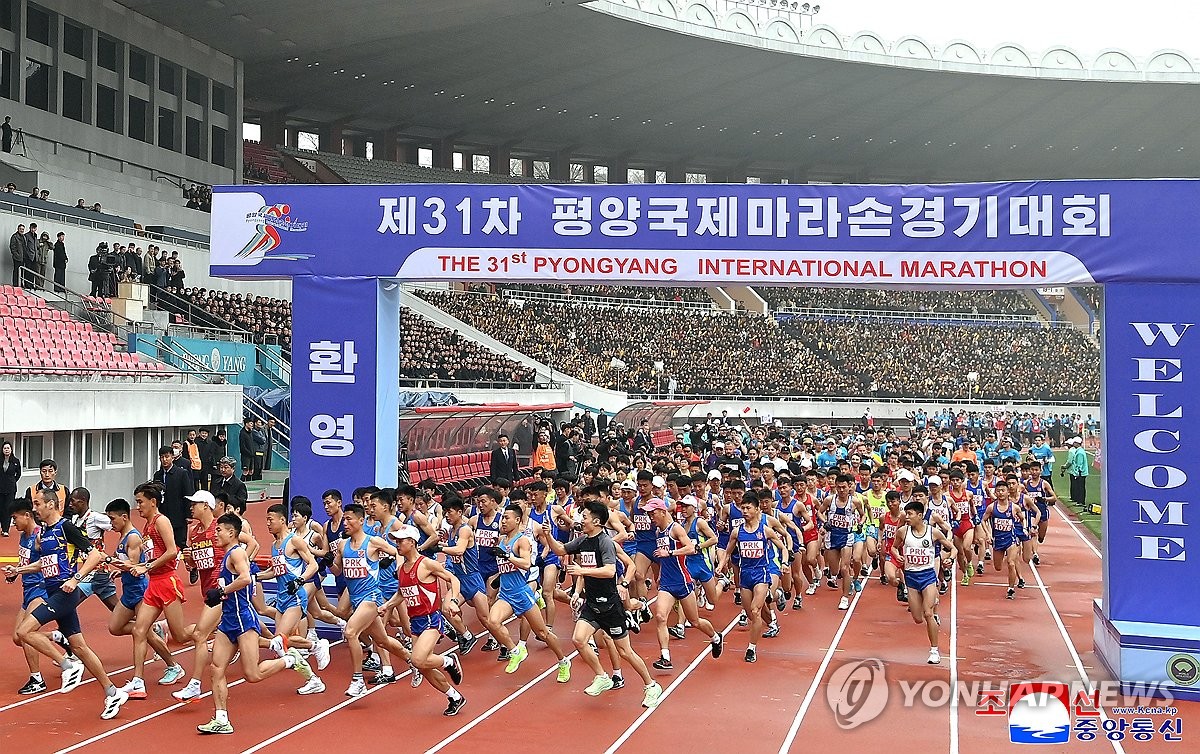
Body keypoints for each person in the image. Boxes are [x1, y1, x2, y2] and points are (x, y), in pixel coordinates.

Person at [9, 490, 131, 719]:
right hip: (54, 591)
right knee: (80, 647)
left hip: (64, 594)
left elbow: (95, 556)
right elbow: (43, 564)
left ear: (51, 505)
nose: (35, 509)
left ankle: (67, 665)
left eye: (38, 504)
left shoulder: (66, 528)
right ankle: (112, 692)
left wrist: (75, 579)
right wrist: (19, 570)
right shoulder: (45, 531)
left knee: (24, 632)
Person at [537, 496, 664, 708]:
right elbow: (560, 550)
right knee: (579, 640)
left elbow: (610, 571)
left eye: (585, 516)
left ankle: (651, 685)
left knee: (625, 652)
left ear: (596, 521)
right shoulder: (582, 540)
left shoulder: (605, 542)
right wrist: (549, 535)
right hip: (592, 604)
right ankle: (602, 676)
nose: (581, 519)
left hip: (610, 606)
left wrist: (583, 571)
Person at [196, 513, 315, 735]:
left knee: (253, 675)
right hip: (228, 620)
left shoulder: (237, 553)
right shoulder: (227, 554)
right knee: (216, 668)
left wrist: (221, 591)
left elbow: (244, 578)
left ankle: (290, 660)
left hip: (243, 619)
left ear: (231, 532)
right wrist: (221, 595)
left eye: (219, 530)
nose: (215, 534)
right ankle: (221, 719)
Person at [331, 503, 418, 697]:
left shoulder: (373, 542)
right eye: (344, 519)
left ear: (361, 520)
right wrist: (329, 562)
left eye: (349, 519)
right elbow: (337, 571)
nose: (345, 523)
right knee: (383, 641)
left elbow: (397, 552)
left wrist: (398, 569)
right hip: (355, 598)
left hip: (371, 597)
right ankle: (412, 660)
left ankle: (357, 680)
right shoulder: (343, 545)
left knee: (351, 632)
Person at [385, 524, 467, 716]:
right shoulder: (401, 569)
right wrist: (386, 606)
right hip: (415, 622)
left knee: (418, 659)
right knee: (422, 666)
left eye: (401, 541)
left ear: (412, 542)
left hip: (431, 619)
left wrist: (453, 601)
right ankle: (455, 697)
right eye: (396, 541)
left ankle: (448, 661)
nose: (397, 544)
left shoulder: (426, 564)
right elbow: (402, 593)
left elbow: (453, 579)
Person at [103, 498, 179, 696]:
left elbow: (134, 564)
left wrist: (107, 559)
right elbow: (128, 565)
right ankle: (154, 630)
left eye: (113, 519)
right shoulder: (124, 537)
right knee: (115, 627)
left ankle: (172, 666)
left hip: (139, 591)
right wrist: (118, 571)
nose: (111, 524)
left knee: (142, 632)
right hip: (129, 590)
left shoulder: (134, 538)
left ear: (124, 517)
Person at [487, 503, 571, 680]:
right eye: (502, 518)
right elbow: (506, 567)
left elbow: (526, 564)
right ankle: (515, 651)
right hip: (506, 594)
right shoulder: (502, 541)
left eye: (507, 518)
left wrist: (507, 556)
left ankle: (563, 661)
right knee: (492, 622)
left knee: (542, 633)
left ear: (517, 520)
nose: (503, 521)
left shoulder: (522, 540)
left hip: (522, 593)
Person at [125, 482, 194, 695]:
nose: (137, 507)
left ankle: (213, 629)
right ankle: (138, 681)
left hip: (167, 582)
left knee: (181, 635)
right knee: (139, 630)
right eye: (136, 502)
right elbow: (151, 554)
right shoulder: (147, 526)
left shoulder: (161, 521)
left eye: (140, 502)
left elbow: (172, 551)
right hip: (153, 584)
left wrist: (146, 567)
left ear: (153, 502)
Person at [645, 497, 723, 669]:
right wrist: (660, 574)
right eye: (649, 514)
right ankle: (665, 657)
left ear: (663, 512)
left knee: (695, 621)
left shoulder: (675, 529)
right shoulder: (658, 532)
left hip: (683, 582)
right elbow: (662, 557)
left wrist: (671, 553)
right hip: (667, 583)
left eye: (653, 513)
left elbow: (690, 548)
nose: (651, 517)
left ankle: (715, 637)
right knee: (660, 617)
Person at [6, 498, 71, 694]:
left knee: (25, 634)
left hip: (40, 590)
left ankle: (39, 678)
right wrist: (15, 572)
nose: (13, 523)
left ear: (27, 515)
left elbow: (45, 563)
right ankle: (56, 636)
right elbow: (25, 562)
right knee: (18, 637)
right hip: (27, 591)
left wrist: (20, 570)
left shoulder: (39, 536)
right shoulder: (23, 536)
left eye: (15, 518)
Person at [891, 501, 957, 665]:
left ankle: (934, 650)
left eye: (910, 514)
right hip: (911, 577)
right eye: (906, 514)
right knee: (918, 618)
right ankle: (931, 604)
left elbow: (953, 548)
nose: (907, 517)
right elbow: (893, 547)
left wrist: (950, 559)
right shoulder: (902, 532)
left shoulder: (933, 532)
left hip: (928, 576)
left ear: (920, 515)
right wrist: (897, 555)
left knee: (928, 613)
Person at [152, 444, 195, 550]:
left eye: (167, 457)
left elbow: (187, 494)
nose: (164, 460)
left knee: (179, 544)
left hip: (178, 515)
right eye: (162, 457)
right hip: (162, 514)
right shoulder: (157, 475)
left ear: (172, 457)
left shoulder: (181, 473)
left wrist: (188, 514)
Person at [0, 439, 20, 536]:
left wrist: (12, 481)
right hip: (0, 488)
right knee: (1, 508)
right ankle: (2, 526)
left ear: (11, 449)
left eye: (8, 448)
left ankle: (6, 529)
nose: (6, 450)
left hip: (10, 489)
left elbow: (18, 474)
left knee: (8, 509)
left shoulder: (15, 461)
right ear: (2, 450)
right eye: (5, 448)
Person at [1064, 437, 1089, 507]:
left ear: (1077, 443)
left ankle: (1081, 501)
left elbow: (1079, 464)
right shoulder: (1080, 451)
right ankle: (1080, 500)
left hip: (1081, 473)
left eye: (1074, 443)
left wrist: (1077, 473)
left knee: (1080, 487)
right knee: (1080, 487)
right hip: (1082, 473)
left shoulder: (1079, 453)